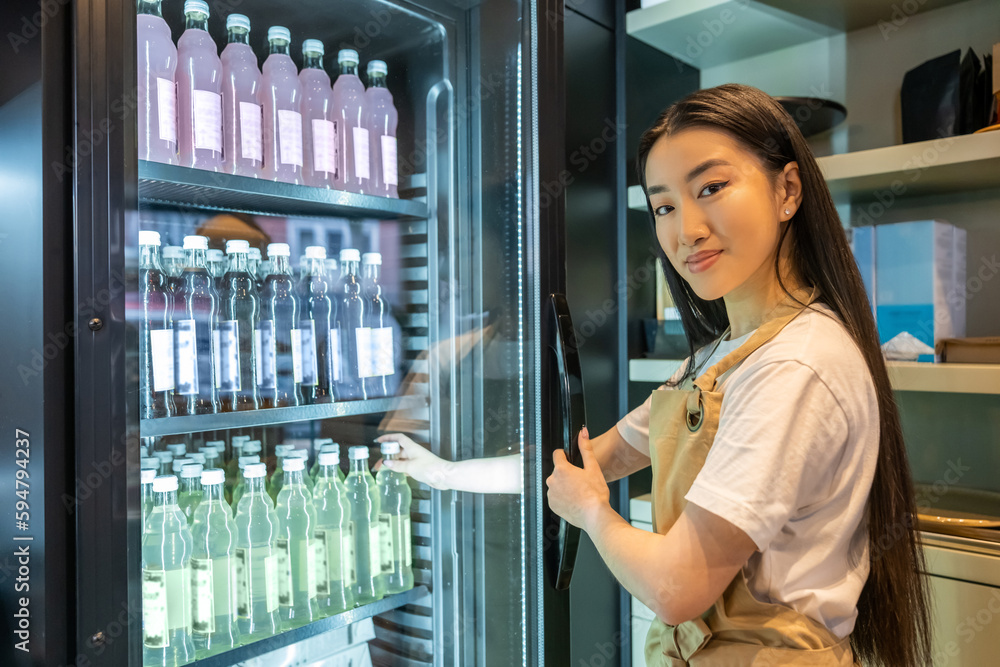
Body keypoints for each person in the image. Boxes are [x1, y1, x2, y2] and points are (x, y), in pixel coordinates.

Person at [381, 83, 932, 666]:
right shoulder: (722, 354)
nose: (686, 230)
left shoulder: (794, 365)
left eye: (712, 188)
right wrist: (440, 473)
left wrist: (593, 510)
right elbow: (589, 461)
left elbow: (676, 587)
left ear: (787, 189)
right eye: (665, 206)